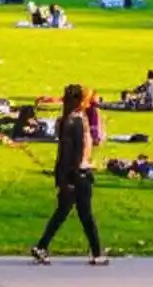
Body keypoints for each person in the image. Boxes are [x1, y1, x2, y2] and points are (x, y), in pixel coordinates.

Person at [31, 84, 106, 266]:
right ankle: (97, 252)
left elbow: (64, 153)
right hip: (78, 174)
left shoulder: (66, 120)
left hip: (69, 174)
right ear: (81, 101)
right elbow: (76, 152)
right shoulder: (78, 121)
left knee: (62, 212)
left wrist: (61, 177)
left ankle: (42, 246)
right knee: (85, 215)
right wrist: (74, 175)